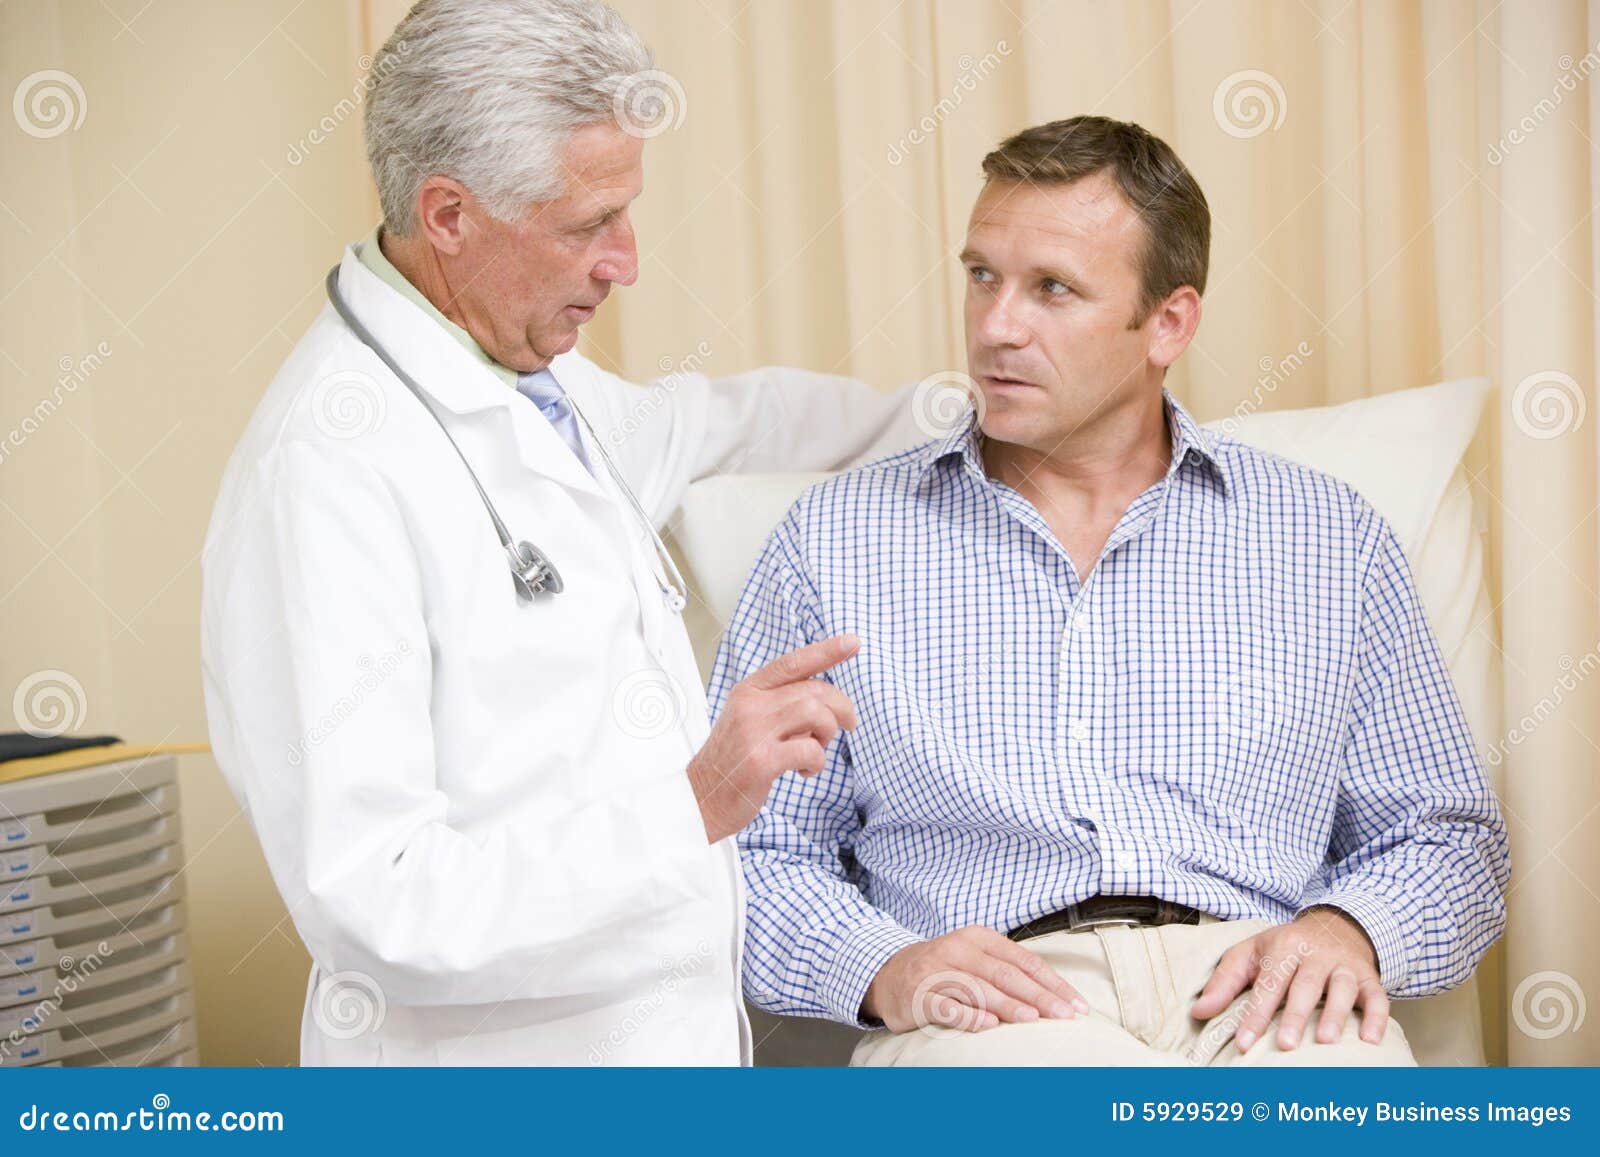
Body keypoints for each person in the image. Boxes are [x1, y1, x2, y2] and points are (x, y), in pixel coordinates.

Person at [201, 0, 915, 1066]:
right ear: (449, 214)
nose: (625, 261)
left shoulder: (540, 386)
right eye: (588, 224)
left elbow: (732, 420)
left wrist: (966, 414)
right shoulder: (326, 468)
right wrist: (694, 805)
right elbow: (376, 903)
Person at [710, 115, 1510, 1066]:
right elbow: (746, 850)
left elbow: (1446, 834)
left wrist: (1351, 928)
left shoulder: (1331, 538)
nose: (997, 326)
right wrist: (883, 966)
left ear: (1168, 322)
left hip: (1261, 987)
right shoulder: (832, 542)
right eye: (982, 276)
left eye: (1052, 288)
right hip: (998, 1005)